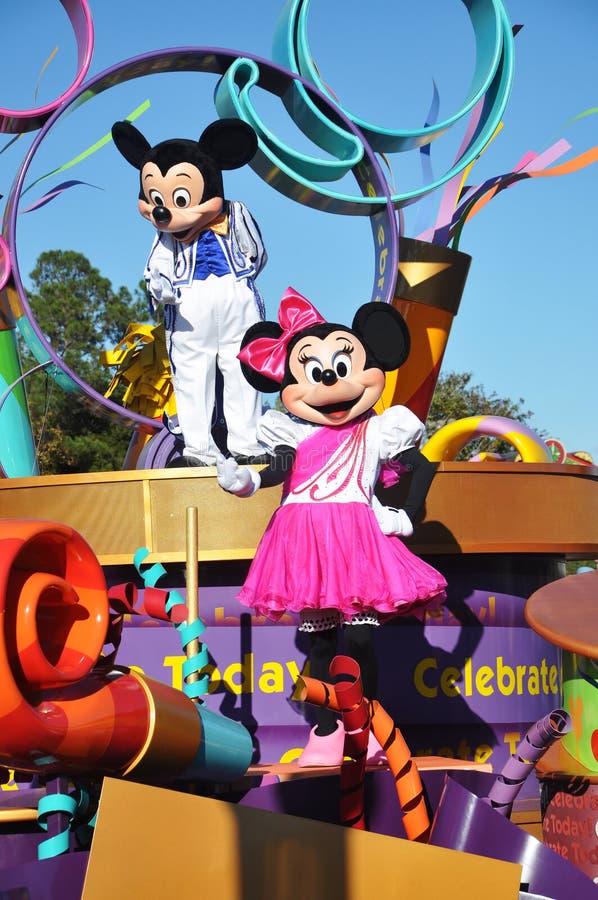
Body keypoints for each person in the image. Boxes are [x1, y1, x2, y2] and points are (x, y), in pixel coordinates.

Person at [217, 287, 447, 766]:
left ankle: (370, 731)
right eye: (316, 373)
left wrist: (408, 514)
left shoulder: (379, 430)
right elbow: (278, 469)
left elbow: (422, 467)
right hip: (306, 542)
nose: (331, 383)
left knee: (361, 639)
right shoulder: (293, 431)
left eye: (342, 368)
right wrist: (245, 480)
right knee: (320, 642)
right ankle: (325, 734)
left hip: (357, 538)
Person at [111, 117, 269, 466]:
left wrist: (242, 282)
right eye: (155, 199)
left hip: (234, 296)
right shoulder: (166, 235)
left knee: (243, 368)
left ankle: (247, 442)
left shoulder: (236, 213)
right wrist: (162, 287)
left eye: (178, 198)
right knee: (192, 373)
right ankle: (199, 448)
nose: (164, 210)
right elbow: (157, 268)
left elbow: (257, 252)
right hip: (189, 302)